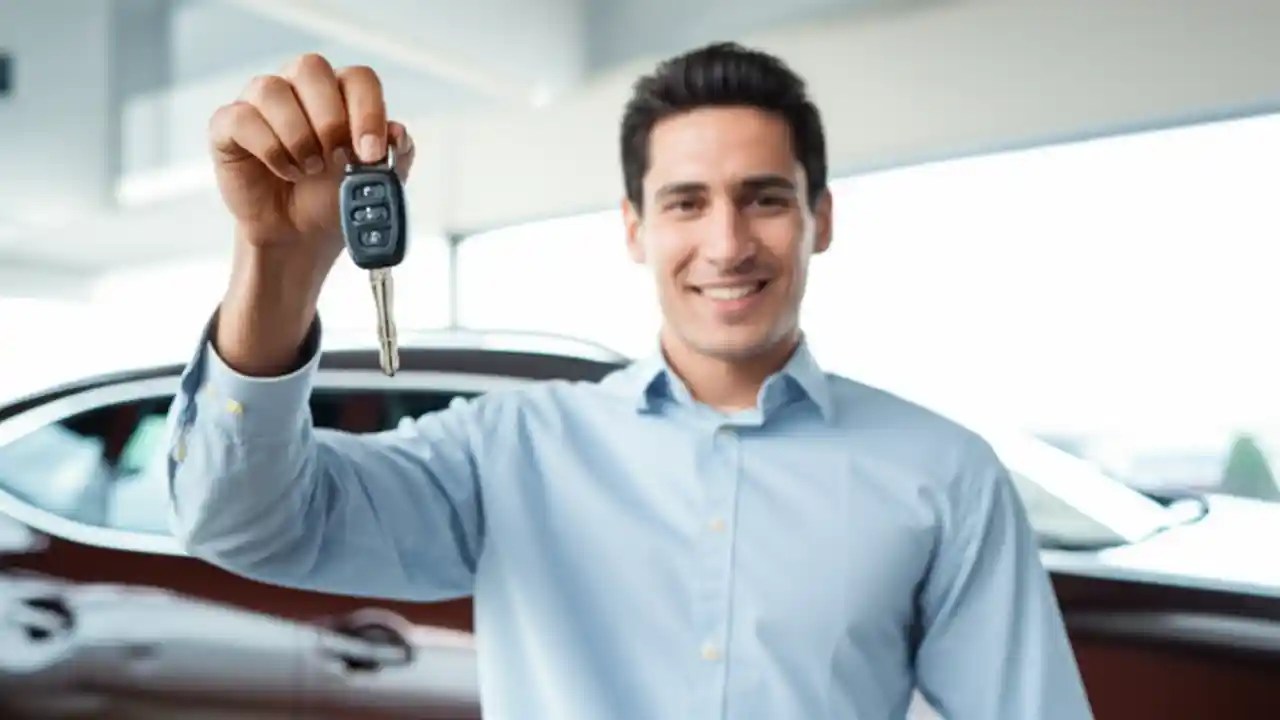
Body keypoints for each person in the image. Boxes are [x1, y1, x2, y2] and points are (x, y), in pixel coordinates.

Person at [167, 41, 1094, 720]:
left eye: (765, 199)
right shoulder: (509, 448)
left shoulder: (945, 472)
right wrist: (277, 267)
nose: (727, 244)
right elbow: (239, 521)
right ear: (634, 227)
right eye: (686, 202)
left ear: (821, 217)